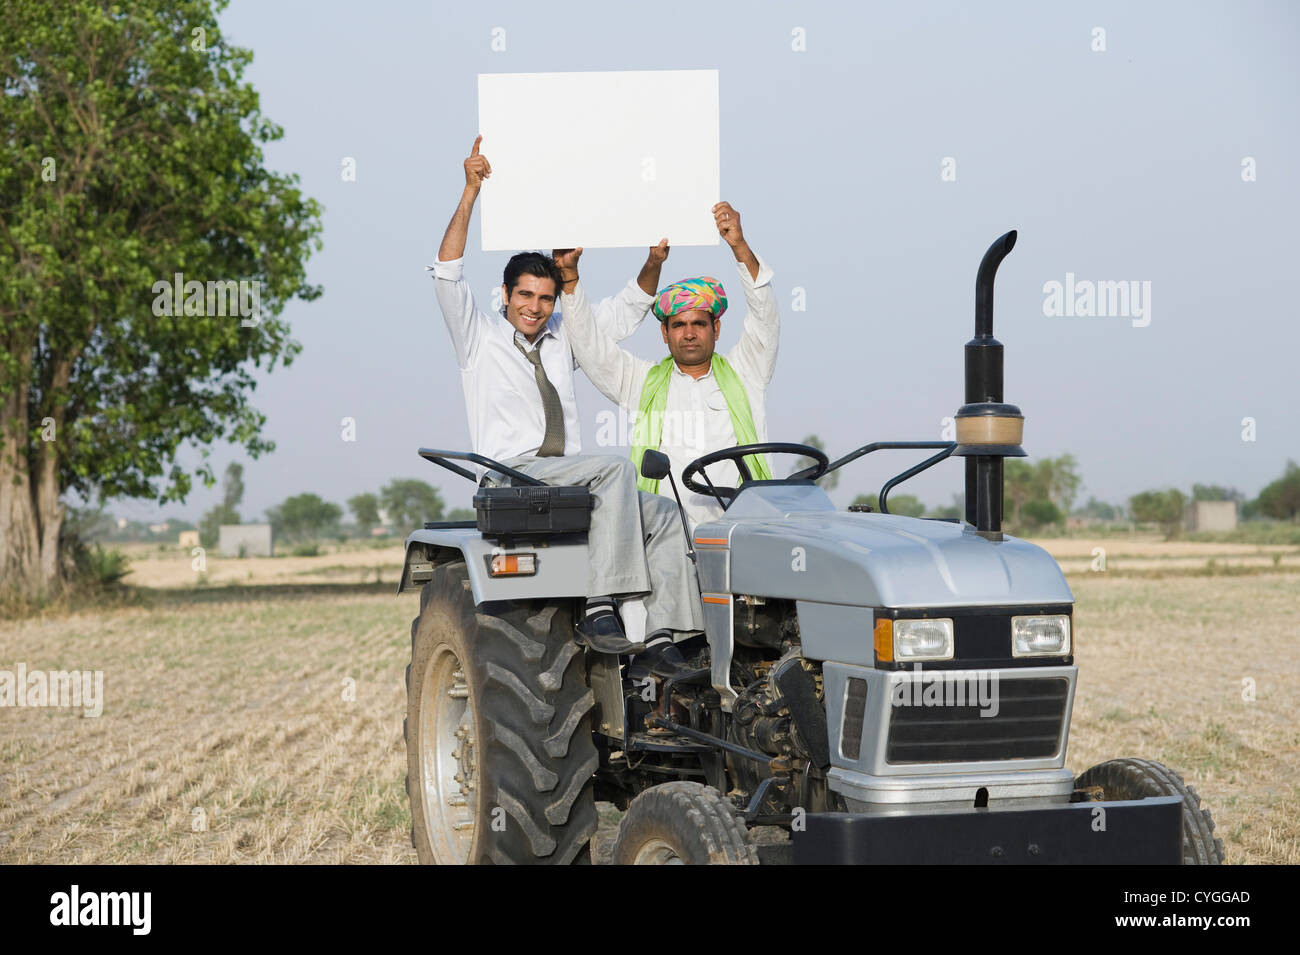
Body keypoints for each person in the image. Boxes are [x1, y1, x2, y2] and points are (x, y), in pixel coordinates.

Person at [428, 135, 702, 674]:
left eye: (546, 298)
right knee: (615, 469)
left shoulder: (561, 337)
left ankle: (667, 640)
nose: (535, 307)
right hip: (515, 475)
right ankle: (602, 608)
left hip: (570, 478)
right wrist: (470, 189)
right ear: (505, 295)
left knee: (666, 515)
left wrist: (653, 261)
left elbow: (624, 315)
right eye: (525, 295)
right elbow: (446, 271)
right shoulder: (476, 338)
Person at [559, 201, 779, 528]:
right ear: (665, 333)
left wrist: (739, 246)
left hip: (743, 533)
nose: (689, 333)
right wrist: (569, 278)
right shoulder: (642, 382)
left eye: (698, 324)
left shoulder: (746, 370)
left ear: (715, 328)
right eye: (678, 325)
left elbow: (765, 316)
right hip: (666, 541)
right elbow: (590, 347)